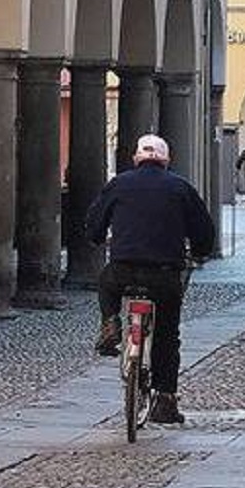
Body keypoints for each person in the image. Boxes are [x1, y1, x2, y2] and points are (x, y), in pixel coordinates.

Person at [85, 133, 215, 425]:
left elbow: (94, 225)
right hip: (164, 275)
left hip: (123, 270)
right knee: (168, 335)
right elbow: (204, 231)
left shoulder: (118, 184)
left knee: (106, 282)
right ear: (166, 161)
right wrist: (200, 251)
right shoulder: (181, 188)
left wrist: (97, 237)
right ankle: (165, 402)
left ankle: (110, 321)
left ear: (136, 159)